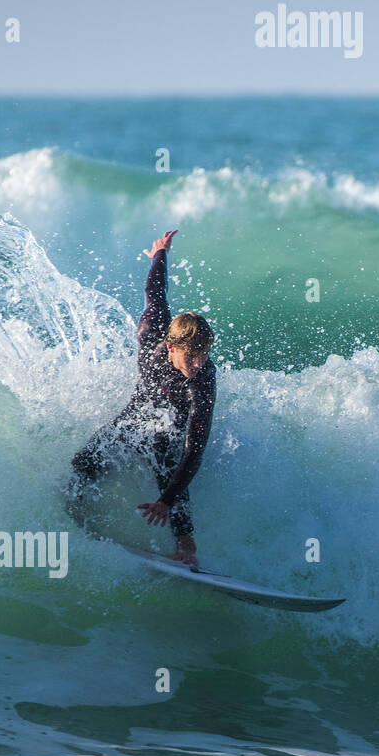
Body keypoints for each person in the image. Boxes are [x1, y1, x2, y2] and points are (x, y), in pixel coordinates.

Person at [66, 230, 216, 565]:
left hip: (173, 426)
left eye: (204, 355)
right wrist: (159, 254)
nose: (199, 364)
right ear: (172, 346)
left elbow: (195, 448)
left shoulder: (203, 379)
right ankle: (78, 516)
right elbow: (155, 293)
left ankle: (185, 545)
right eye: (192, 357)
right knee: (83, 463)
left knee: (166, 454)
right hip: (138, 412)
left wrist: (165, 500)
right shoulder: (151, 335)